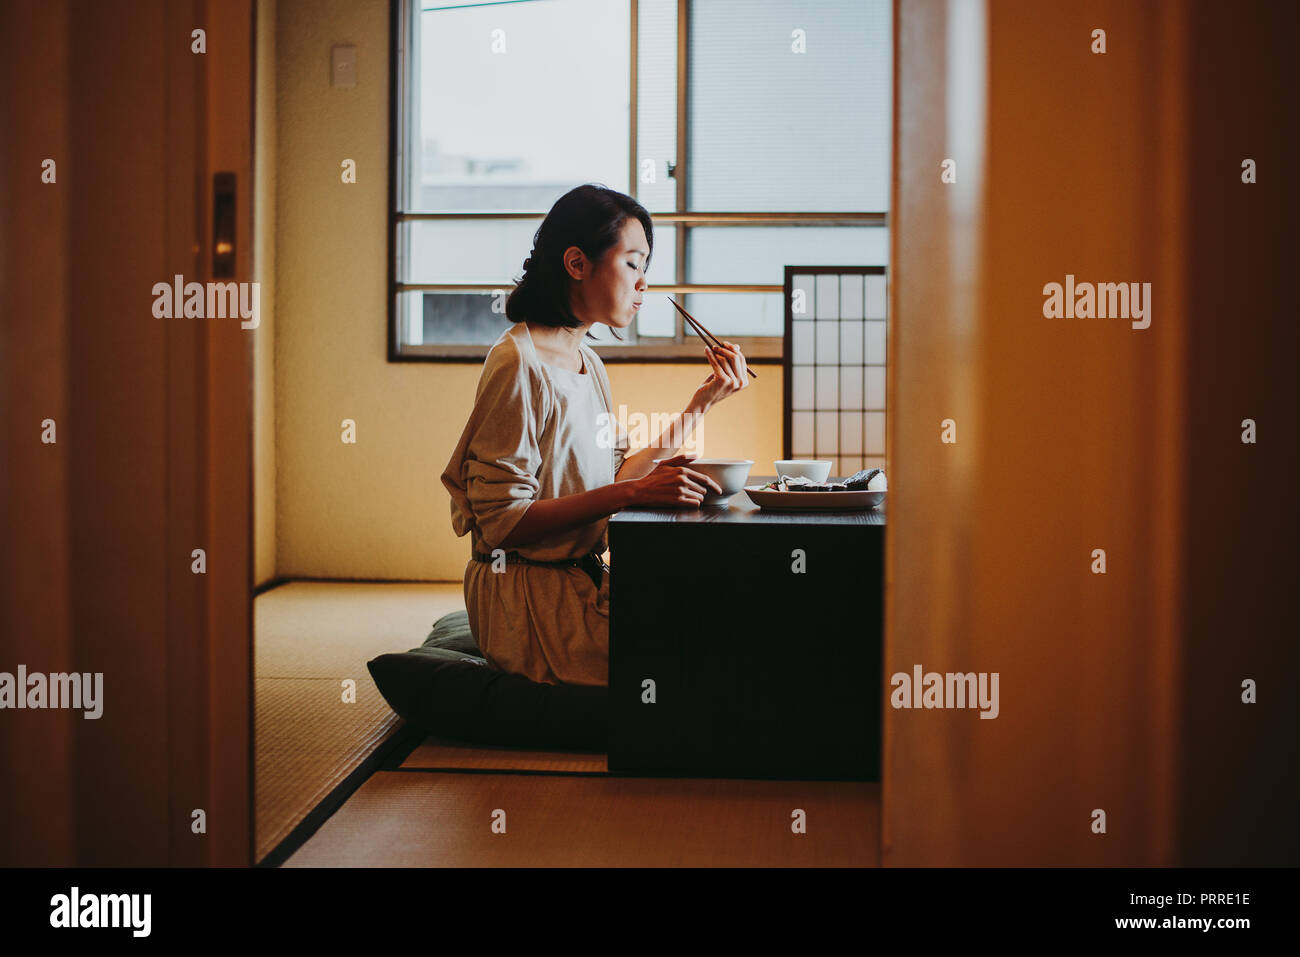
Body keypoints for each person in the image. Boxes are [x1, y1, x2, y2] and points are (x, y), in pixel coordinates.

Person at [440, 184, 750, 687]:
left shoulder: (587, 360)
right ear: (577, 264)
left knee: (727, 611)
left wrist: (702, 403)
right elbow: (503, 523)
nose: (644, 283)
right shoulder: (517, 362)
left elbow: (619, 473)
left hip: (578, 581)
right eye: (632, 263)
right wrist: (634, 492)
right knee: (706, 658)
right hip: (528, 603)